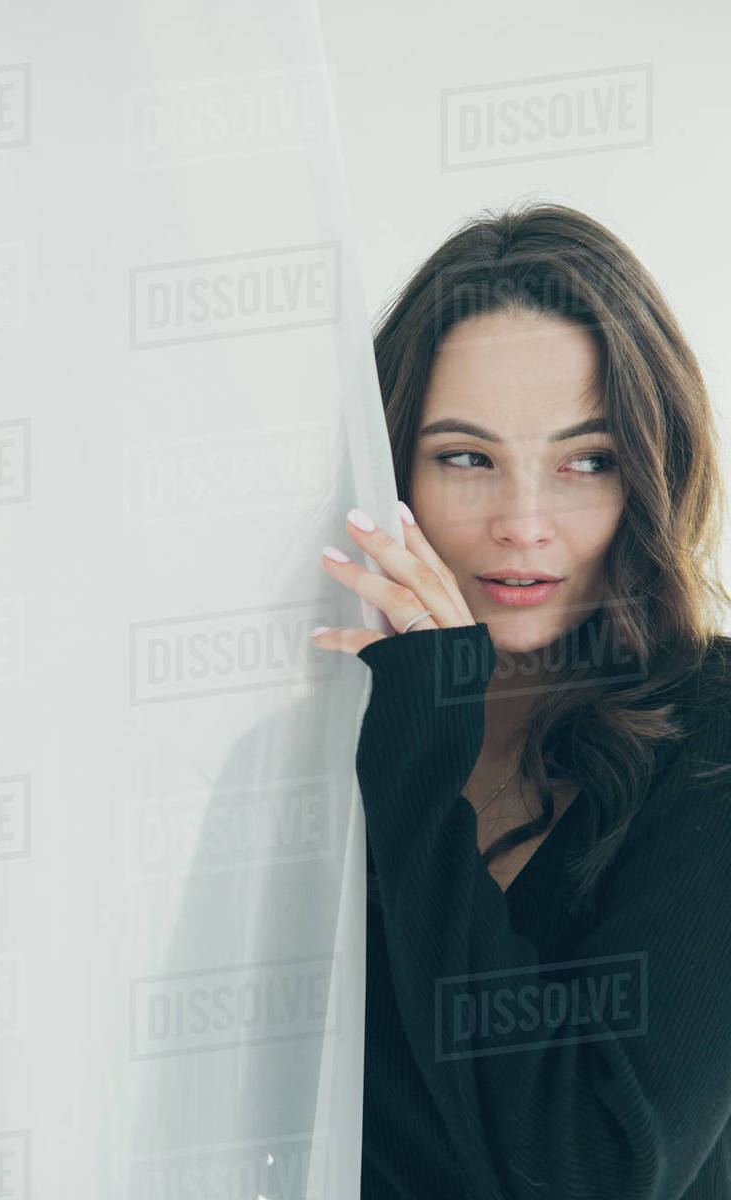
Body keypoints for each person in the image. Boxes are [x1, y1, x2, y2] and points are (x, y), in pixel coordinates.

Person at [311, 202, 731, 1198]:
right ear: (388, 469)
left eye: (585, 460)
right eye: (465, 457)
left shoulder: (711, 739)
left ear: (648, 476)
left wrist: (422, 747)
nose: (522, 525)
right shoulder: (297, 749)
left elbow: (589, 1169)